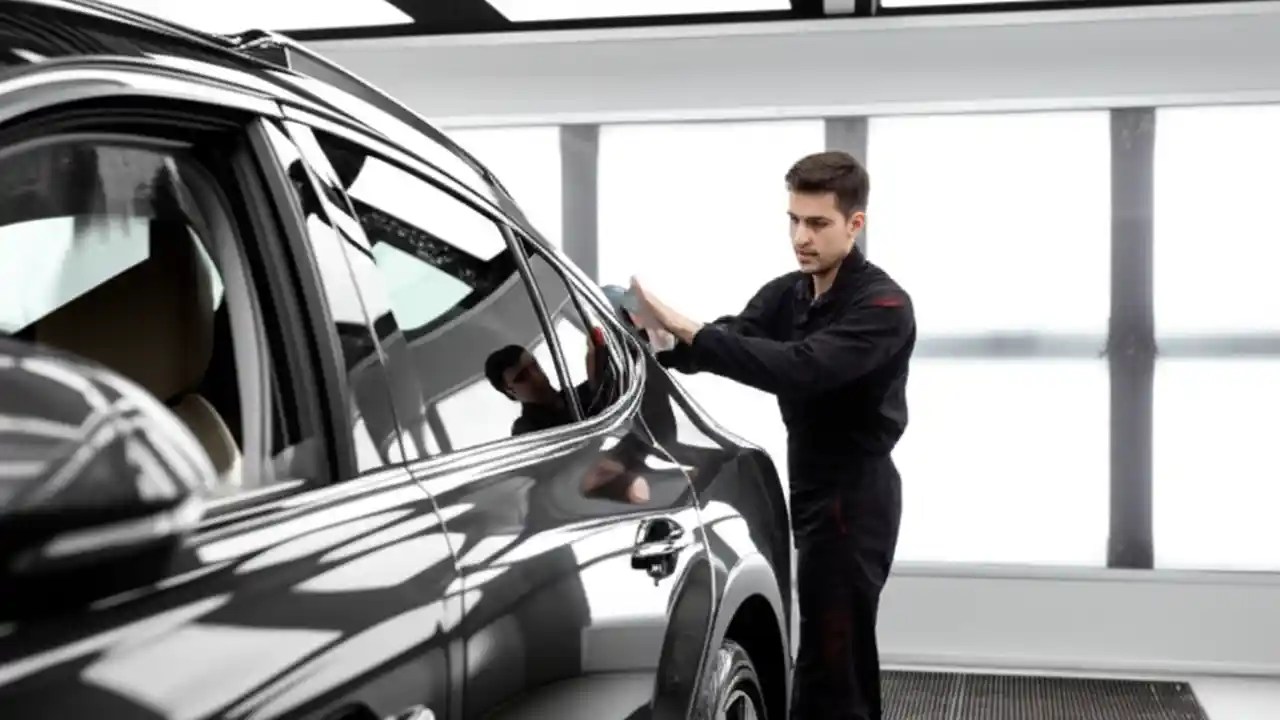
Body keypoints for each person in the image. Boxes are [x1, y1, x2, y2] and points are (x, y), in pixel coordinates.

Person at [629, 150, 915, 720]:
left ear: (855, 225)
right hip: (809, 490)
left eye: (817, 223)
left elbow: (801, 367)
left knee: (835, 656)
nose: (800, 236)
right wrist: (648, 339)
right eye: (793, 220)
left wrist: (688, 325)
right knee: (826, 654)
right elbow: (735, 342)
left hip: (856, 500)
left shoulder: (884, 305)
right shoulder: (790, 292)